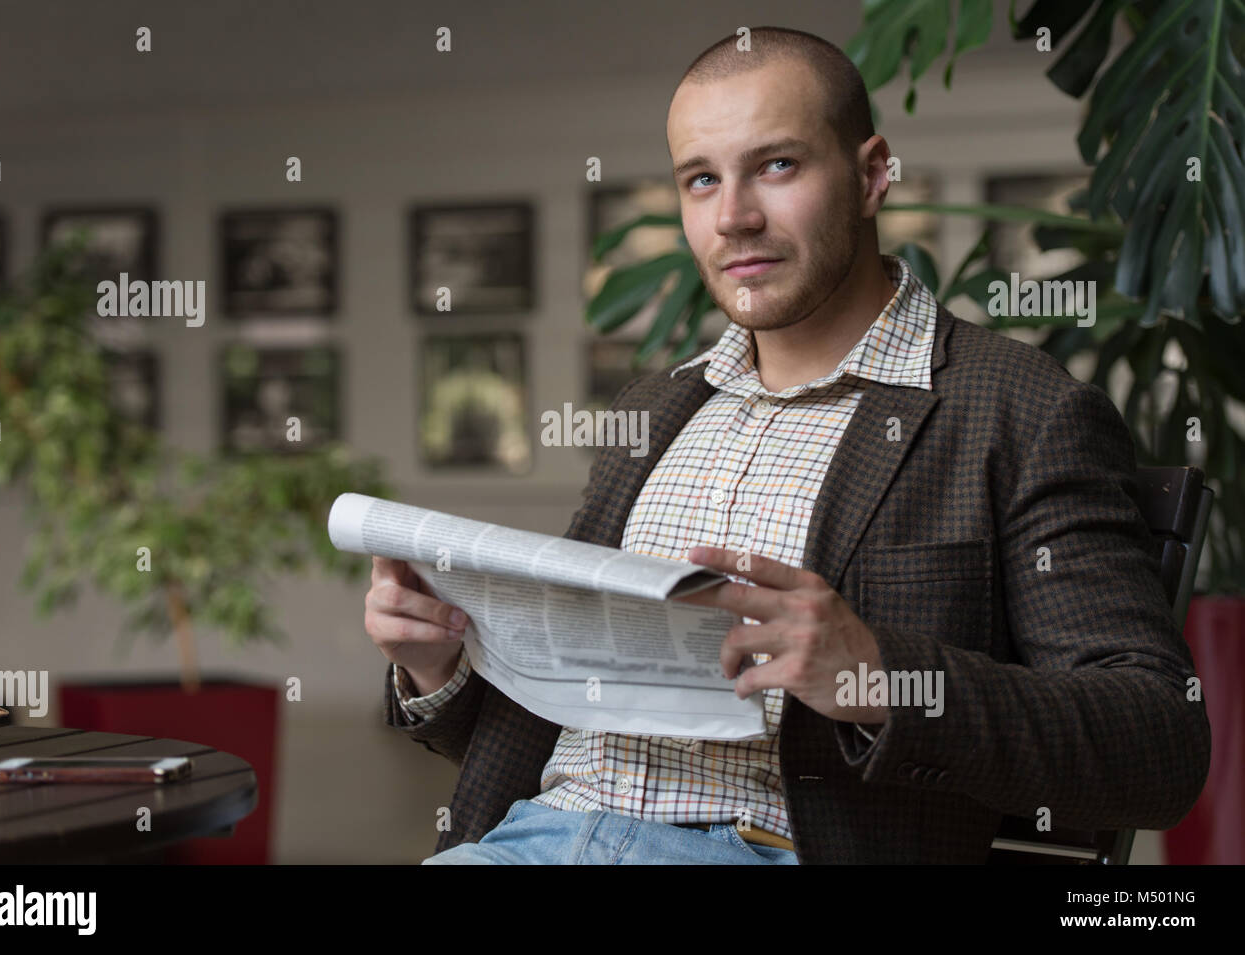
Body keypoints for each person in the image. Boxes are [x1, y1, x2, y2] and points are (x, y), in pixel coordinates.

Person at [364, 26, 1210, 864]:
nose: (734, 217)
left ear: (873, 174)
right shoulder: (654, 409)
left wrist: (877, 675)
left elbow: (1158, 744)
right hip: (528, 841)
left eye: (777, 165)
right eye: (701, 179)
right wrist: (438, 665)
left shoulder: (1017, 409)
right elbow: (539, 724)